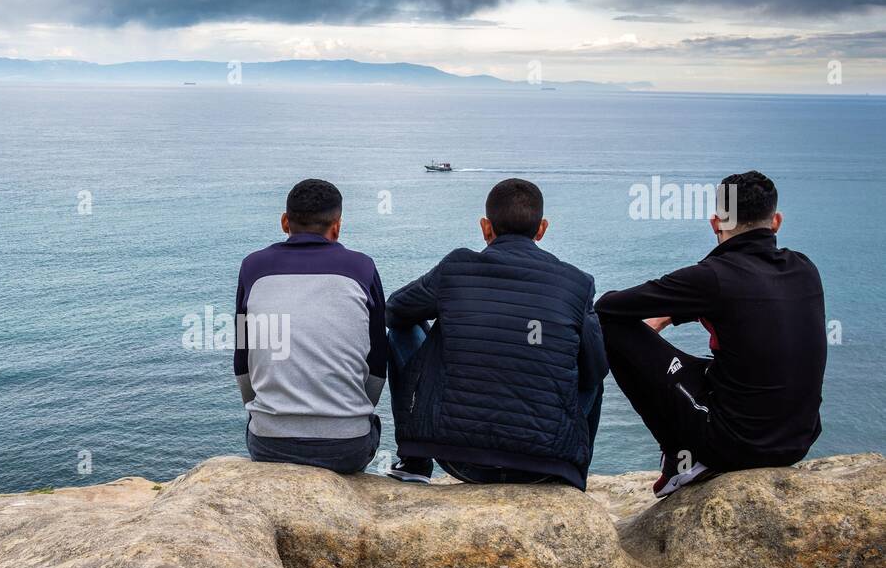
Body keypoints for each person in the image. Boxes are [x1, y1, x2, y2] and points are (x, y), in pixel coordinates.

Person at [595, 170, 825, 497]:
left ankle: (680, 457)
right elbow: (747, 300)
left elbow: (609, 306)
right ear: (776, 221)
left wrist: (664, 314)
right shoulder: (805, 269)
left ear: (716, 222)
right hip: (797, 442)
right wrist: (670, 316)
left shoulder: (713, 277)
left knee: (610, 328)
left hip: (736, 446)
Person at [386, 178, 607, 489]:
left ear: (485, 227)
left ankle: (414, 461)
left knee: (402, 329)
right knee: (593, 370)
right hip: (542, 466)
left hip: (458, 459)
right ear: (542, 229)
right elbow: (596, 370)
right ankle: (573, 473)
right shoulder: (577, 283)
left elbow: (394, 311)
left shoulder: (456, 267)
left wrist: (438, 329)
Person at [235, 178, 386, 474]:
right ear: (337, 226)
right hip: (348, 449)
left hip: (269, 446)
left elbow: (242, 358)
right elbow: (378, 361)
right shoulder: (362, 268)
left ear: (284, 222)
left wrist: (268, 414)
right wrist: (348, 411)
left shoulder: (252, 267)